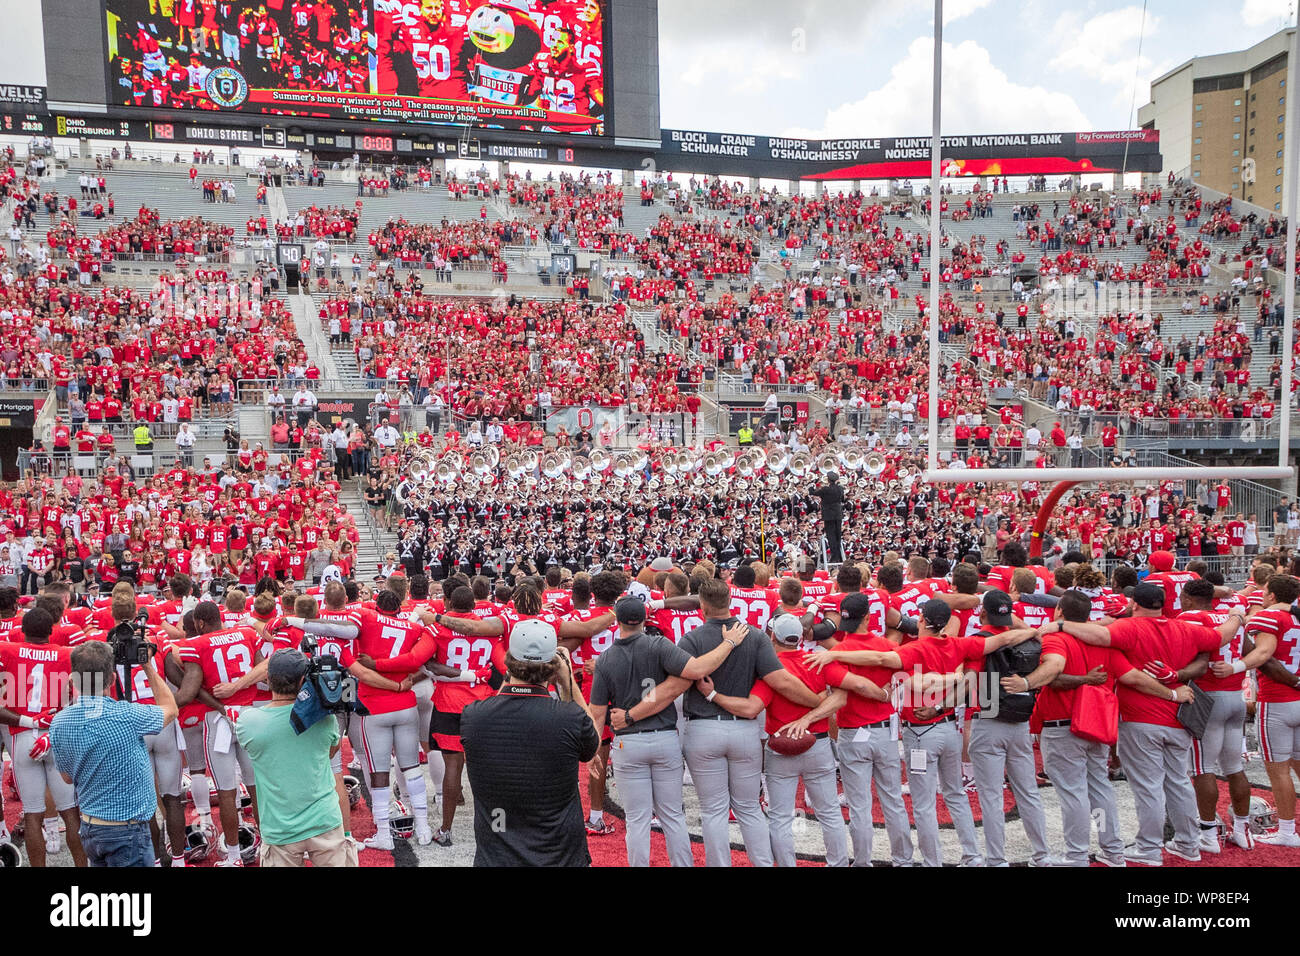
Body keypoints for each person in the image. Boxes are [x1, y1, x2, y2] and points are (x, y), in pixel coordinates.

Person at [676, 576, 822, 867]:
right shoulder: (754, 636)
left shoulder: (693, 638)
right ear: (729, 601)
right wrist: (819, 703)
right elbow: (779, 680)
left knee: (714, 810)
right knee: (749, 808)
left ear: (702, 606)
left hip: (704, 728)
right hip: (744, 728)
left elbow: (678, 683)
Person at [587, 597, 738, 867]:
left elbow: (596, 714)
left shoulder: (607, 659)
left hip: (628, 744)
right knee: (672, 816)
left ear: (618, 622)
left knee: (637, 820)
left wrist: (592, 751)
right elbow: (696, 670)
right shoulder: (659, 645)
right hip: (664, 737)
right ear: (644, 620)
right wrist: (728, 643)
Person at [460, 619, 600, 866]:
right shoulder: (568, 717)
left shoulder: (474, 715)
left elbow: (502, 703)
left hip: (497, 853)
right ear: (552, 667)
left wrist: (511, 671)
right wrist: (567, 680)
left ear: (509, 662)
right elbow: (592, 746)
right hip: (559, 854)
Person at [47, 633, 177, 867]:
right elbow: (170, 708)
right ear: (112, 679)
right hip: (126, 829)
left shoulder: (59, 722)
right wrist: (147, 666)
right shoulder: (125, 715)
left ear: (73, 681)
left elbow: (67, 778)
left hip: (90, 825)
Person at [233, 649, 357, 867]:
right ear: (304, 681)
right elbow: (331, 750)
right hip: (323, 820)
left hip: (280, 826)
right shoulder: (324, 720)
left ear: (268, 680)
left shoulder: (249, 722)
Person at [810, 471, 845, 562]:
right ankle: (838, 555)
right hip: (838, 514)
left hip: (829, 515)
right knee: (838, 535)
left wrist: (811, 485)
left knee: (831, 536)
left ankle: (835, 556)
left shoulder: (826, 489)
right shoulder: (840, 489)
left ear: (828, 480)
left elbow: (813, 492)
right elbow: (843, 499)